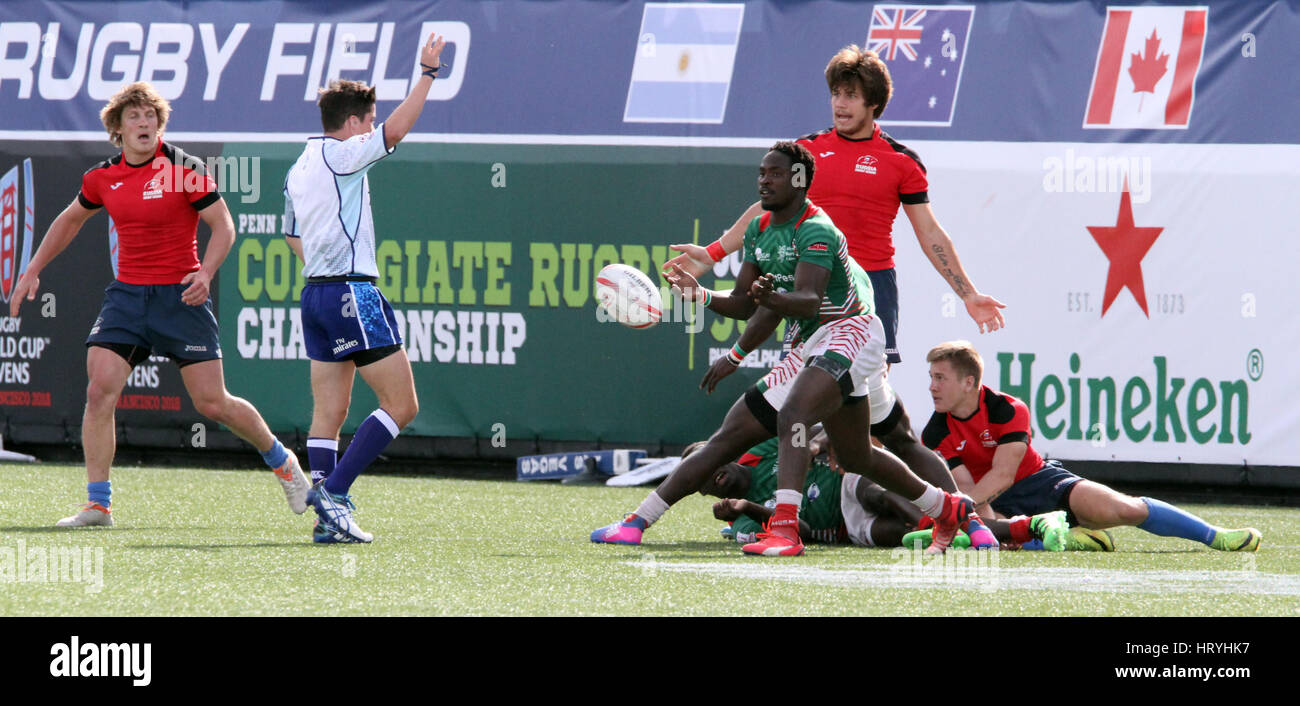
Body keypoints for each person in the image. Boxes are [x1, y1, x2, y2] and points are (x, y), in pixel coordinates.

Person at [593, 142, 983, 556]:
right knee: (748, 438)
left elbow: (808, 301)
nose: (764, 180)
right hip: (812, 340)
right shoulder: (761, 228)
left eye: (775, 173)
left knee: (797, 416)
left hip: (852, 330)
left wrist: (770, 298)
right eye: (762, 172)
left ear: (799, 180)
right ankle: (638, 522)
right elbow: (746, 303)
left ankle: (785, 531)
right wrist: (700, 294)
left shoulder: (817, 229)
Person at [9, 81, 310, 527]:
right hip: (128, 298)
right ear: (118, 128)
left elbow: (224, 225)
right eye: (135, 116)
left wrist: (205, 273)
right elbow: (70, 220)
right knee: (98, 389)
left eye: (151, 115)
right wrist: (32, 269)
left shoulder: (182, 168)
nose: (144, 122)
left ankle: (283, 462)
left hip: (179, 296)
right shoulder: (102, 177)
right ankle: (98, 504)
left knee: (213, 403)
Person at [666, 45, 1006, 363]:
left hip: (871, 286)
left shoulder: (901, 161)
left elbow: (930, 231)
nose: (840, 104)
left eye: (851, 96)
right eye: (836, 94)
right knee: (801, 394)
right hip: (812, 282)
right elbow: (767, 211)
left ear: (873, 102)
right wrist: (712, 254)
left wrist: (967, 294)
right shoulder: (805, 153)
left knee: (868, 401)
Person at [282, 32, 445, 544]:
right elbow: (396, 130)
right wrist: (427, 74)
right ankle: (335, 494)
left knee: (328, 414)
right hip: (353, 293)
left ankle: (327, 520)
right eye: (367, 121)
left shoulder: (299, 165)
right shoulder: (343, 154)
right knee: (403, 405)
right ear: (351, 124)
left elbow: (290, 234)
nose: (372, 128)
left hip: (316, 296)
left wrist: (325, 270)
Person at [922, 341, 1262, 552]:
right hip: (992, 499)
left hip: (1041, 481)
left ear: (969, 382)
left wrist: (969, 516)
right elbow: (965, 487)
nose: (932, 386)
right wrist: (985, 522)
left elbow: (1005, 474)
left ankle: (1215, 536)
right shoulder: (936, 430)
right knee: (999, 542)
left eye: (940, 378)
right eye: (931, 377)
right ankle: (1068, 539)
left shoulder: (1007, 409)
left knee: (1128, 510)